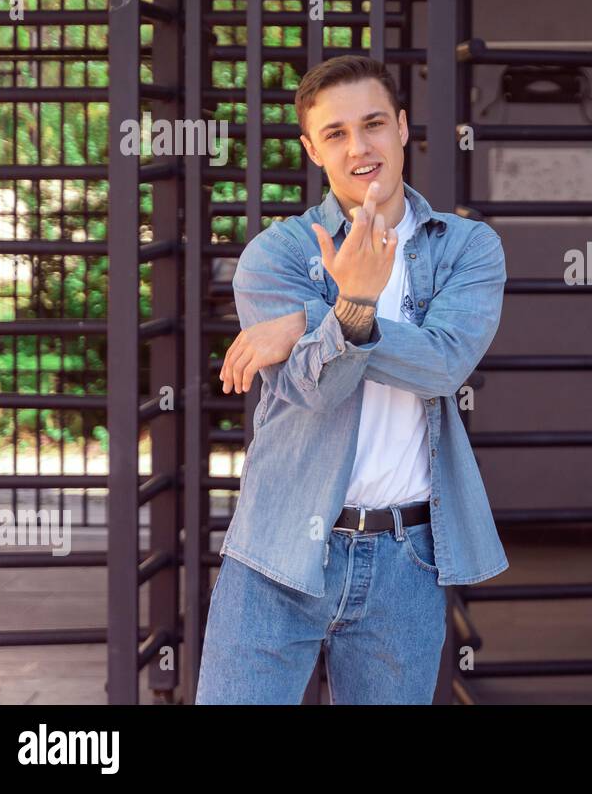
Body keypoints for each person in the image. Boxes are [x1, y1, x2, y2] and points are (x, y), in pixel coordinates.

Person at [195, 55, 507, 704]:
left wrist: (311, 319)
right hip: (279, 546)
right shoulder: (275, 256)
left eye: (372, 125)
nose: (359, 147)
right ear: (312, 149)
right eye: (335, 133)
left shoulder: (467, 248)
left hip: (408, 557)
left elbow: (444, 364)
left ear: (400, 127)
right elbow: (316, 388)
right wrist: (350, 307)